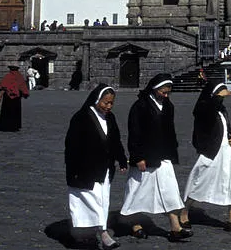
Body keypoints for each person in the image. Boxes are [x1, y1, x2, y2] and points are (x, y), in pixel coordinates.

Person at [120, 74, 191, 242]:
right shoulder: (140, 106)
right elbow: (134, 133)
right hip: (145, 157)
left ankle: (175, 227)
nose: (166, 95)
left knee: (171, 190)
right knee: (137, 193)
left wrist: (173, 151)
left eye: (168, 93)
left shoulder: (168, 106)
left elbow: (170, 130)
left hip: (163, 156)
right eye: (163, 92)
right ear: (154, 89)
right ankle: (135, 224)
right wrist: (138, 157)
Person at [65, 84, 127, 250]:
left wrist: (121, 159)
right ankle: (103, 233)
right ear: (96, 100)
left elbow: (115, 141)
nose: (108, 106)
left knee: (103, 201)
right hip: (85, 168)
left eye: (111, 103)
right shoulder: (81, 118)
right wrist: (74, 170)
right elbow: (72, 146)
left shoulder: (110, 118)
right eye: (105, 103)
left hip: (104, 168)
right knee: (92, 201)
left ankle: (89, 234)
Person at [180, 80, 231, 234]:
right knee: (199, 181)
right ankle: (184, 212)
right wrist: (216, 96)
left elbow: (226, 126)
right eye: (220, 95)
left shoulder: (221, 109)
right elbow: (204, 118)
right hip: (211, 151)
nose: (222, 99)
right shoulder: (204, 109)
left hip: (225, 151)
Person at [0, 65, 30, 132]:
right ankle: (15, 126)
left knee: (6, 112)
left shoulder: (8, 76)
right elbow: (23, 87)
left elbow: (3, 87)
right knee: (16, 112)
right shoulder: (19, 77)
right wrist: (25, 94)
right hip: (17, 98)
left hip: (7, 97)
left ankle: (5, 126)